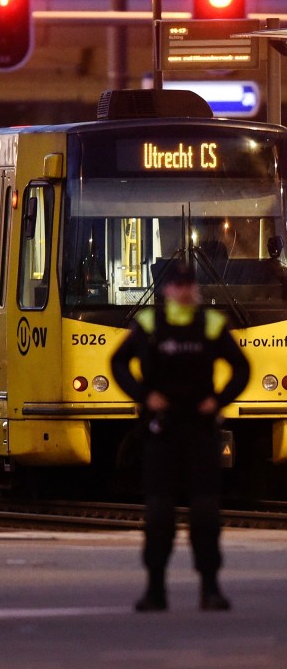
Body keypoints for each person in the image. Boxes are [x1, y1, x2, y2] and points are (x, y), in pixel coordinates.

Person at [111, 259, 250, 612]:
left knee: (205, 512)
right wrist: (145, 397)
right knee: (159, 514)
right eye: (178, 285)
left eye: (190, 285)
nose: (185, 291)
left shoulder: (212, 324)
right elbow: (117, 363)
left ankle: (211, 588)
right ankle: (155, 590)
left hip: (200, 432)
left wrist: (218, 401)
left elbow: (242, 368)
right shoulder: (149, 323)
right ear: (166, 290)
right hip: (162, 430)